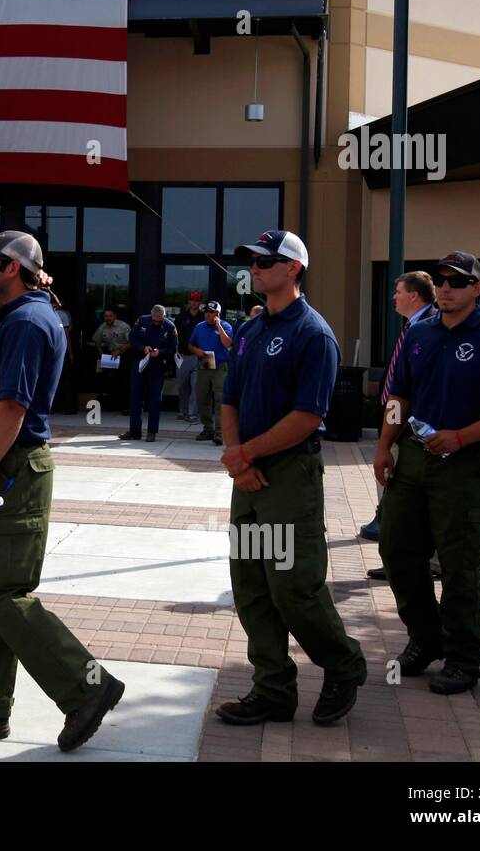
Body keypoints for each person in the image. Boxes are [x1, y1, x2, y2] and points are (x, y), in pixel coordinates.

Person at [0, 230, 124, 751]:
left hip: (8, 470)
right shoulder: (18, 320)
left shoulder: (29, 324)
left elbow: (11, 410)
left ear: (10, 268)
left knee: (4, 592)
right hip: (0, 465)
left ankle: (86, 688)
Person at [217, 229, 367, 726]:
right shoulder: (250, 330)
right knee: (253, 587)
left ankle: (344, 664)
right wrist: (237, 458)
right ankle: (274, 691)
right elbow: (229, 399)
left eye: (265, 261)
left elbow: (308, 415)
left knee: (293, 587)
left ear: (294, 269)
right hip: (250, 476)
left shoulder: (313, 334)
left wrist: (247, 455)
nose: (255, 268)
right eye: (252, 261)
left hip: (289, 475)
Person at [375, 251, 480, 695]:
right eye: (441, 280)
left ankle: (463, 659)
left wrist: (461, 437)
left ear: (477, 289)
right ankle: (425, 639)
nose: (447, 288)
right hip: (414, 460)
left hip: (464, 467)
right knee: (398, 552)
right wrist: (385, 445)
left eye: (458, 282)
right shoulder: (419, 333)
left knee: (460, 568)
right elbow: (399, 396)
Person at [360, 271, 437, 550]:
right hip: (395, 421)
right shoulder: (411, 327)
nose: (393, 297)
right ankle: (393, 545)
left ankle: (403, 548)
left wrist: (397, 428)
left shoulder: (430, 327)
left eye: (398, 292)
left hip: (411, 429)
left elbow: (411, 387)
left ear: (413, 296)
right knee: (392, 487)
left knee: (404, 491)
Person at [120, 305, 177, 443]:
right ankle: (135, 430)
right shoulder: (142, 321)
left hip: (157, 366)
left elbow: (174, 346)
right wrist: (142, 347)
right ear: (151, 315)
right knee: (135, 397)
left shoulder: (170, 326)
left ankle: (152, 432)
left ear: (164, 316)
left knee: (155, 400)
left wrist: (160, 352)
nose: (157, 322)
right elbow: (132, 337)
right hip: (140, 363)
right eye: (155, 319)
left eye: (160, 320)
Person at [191, 300, 233, 446]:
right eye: (206, 312)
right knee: (202, 397)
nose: (207, 315)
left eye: (211, 312)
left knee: (220, 399)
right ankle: (207, 429)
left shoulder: (226, 326)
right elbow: (191, 344)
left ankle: (219, 433)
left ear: (217, 314)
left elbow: (228, 343)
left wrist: (218, 325)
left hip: (220, 365)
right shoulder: (199, 327)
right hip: (205, 362)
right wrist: (196, 351)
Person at [91, 306, 130, 415]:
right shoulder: (102, 327)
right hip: (110, 356)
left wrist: (119, 350)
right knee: (110, 381)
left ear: (115, 317)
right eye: (106, 316)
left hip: (122, 355)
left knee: (124, 381)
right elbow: (97, 341)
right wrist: (102, 354)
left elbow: (131, 342)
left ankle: (126, 406)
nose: (107, 318)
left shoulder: (123, 326)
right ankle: (112, 404)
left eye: (110, 316)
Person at [174, 291, 204, 424]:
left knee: (196, 386)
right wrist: (175, 352)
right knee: (182, 386)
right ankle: (183, 411)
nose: (194, 302)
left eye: (197, 300)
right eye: (192, 300)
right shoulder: (180, 317)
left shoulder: (204, 317)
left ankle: (192, 414)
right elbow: (174, 337)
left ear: (200, 302)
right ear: (189, 301)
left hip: (198, 356)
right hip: (183, 355)